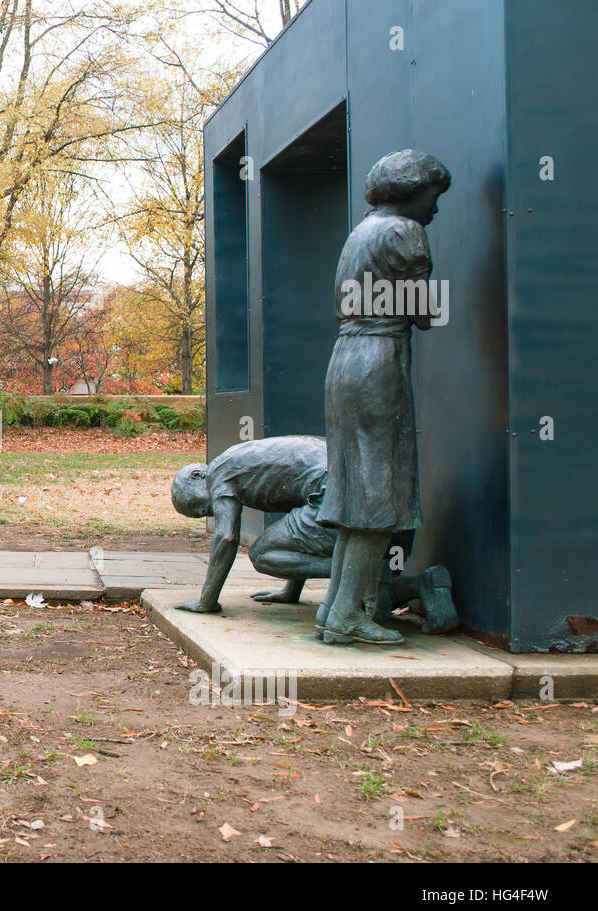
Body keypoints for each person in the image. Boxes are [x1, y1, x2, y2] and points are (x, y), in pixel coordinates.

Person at [316, 150, 451, 645]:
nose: (435, 210)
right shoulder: (404, 231)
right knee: (378, 493)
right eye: (433, 198)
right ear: (412, 191)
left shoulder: (361, 232)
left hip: (346, 359)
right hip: (379, 360)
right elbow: (424, 314)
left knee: (354, 489)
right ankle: (347, 614)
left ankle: (335, 607)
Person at [171, 435, 456, 633]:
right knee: (378, 607)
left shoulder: (220, 472)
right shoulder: (245, 459)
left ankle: (364, 574)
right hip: (364, 487)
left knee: (261, 554)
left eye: (197, 505)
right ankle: (424, 585)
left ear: (198, 477)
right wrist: (290, 591)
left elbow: (226, 538)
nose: (207, 511)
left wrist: (206, 601)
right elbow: (298, 533)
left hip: (335, 495)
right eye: (199, 514)